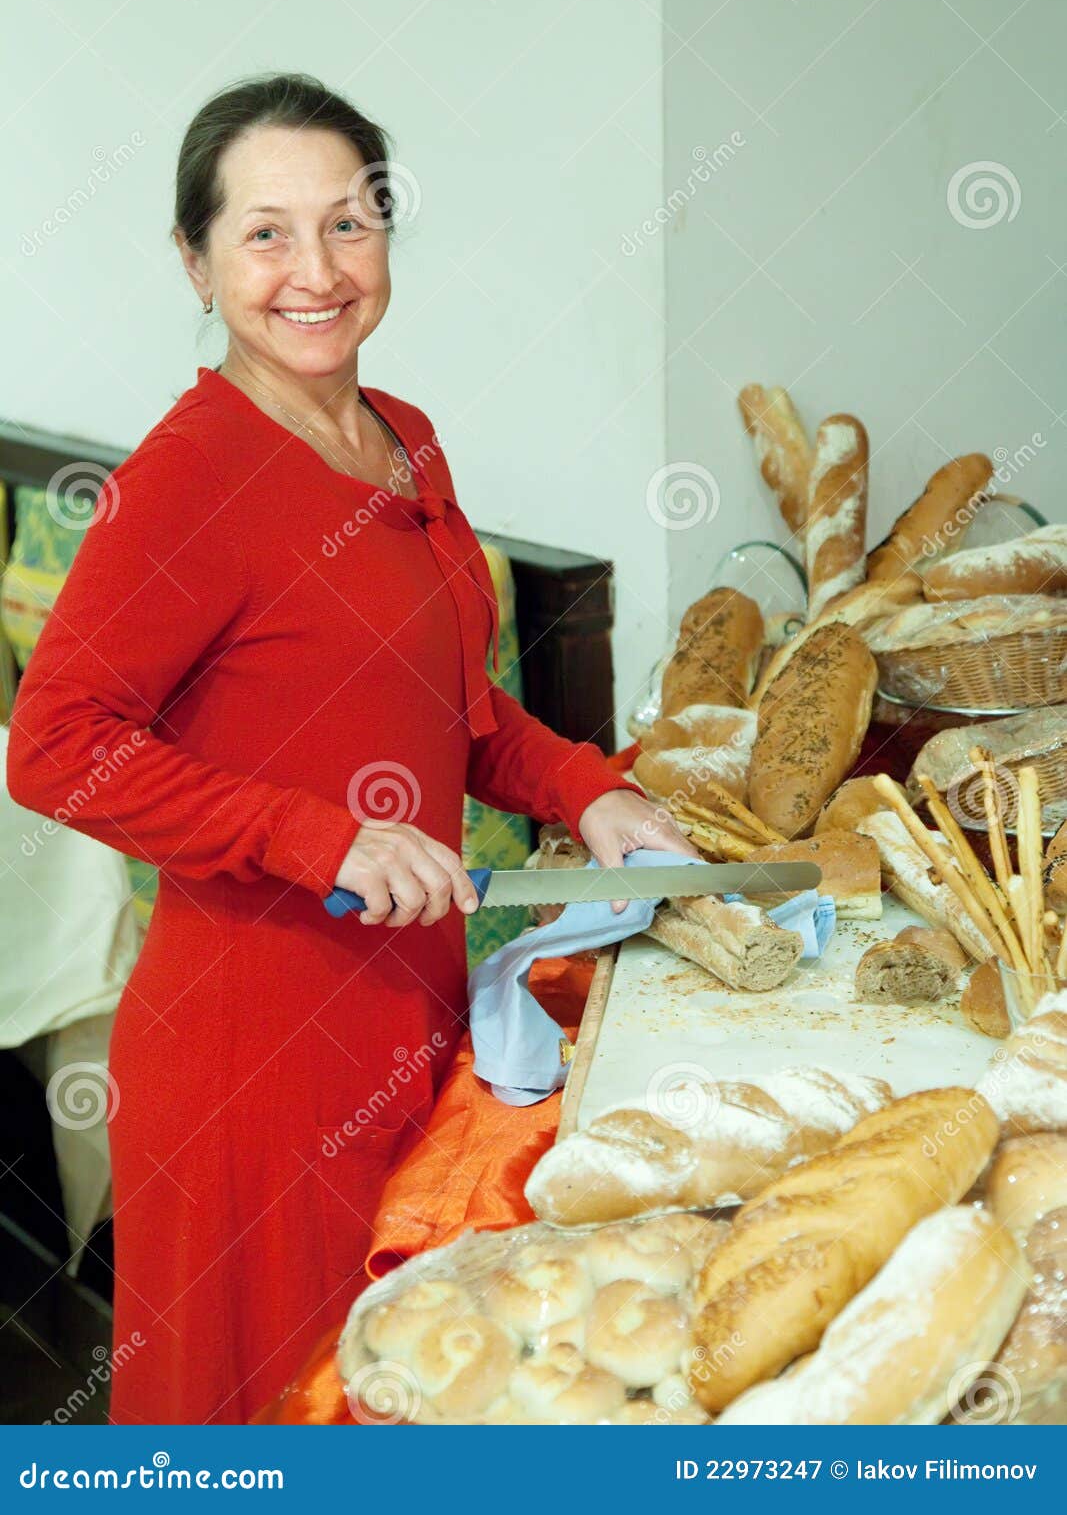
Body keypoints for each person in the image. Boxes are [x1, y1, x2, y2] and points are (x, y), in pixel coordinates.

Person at [6, 73, 697, 1423]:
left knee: (394, 1405)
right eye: (265, 233)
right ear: (193, 261)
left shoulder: (403, 439)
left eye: (350, 223)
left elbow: (450, 706)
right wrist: (321, 835)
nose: (314, 271)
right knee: (270, 1429)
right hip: (252, 1069)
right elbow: (55, 748)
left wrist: (589, 791)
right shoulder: (189, 477)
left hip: (412, 1012)